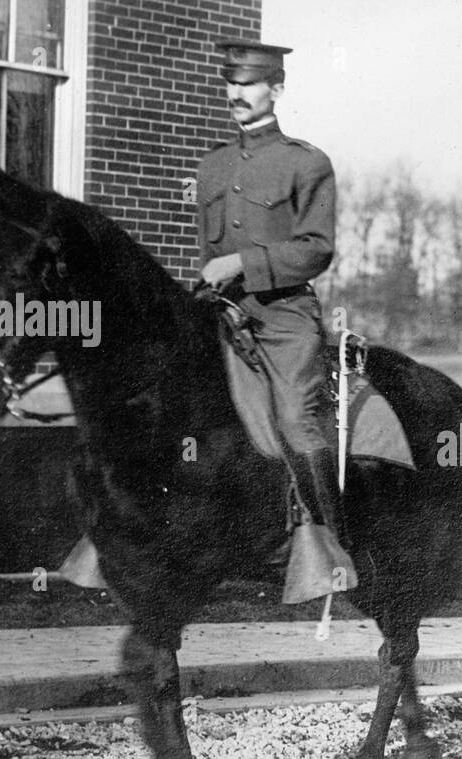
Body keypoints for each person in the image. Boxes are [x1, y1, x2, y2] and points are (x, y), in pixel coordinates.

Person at [197, 39, 355, 601]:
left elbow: (316, 249)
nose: (236, 93)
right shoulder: (212, 165)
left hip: (283, 317)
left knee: (292, 417)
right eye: (231, 83)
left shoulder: (305, 162)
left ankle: (325, 549)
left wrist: (243, 263)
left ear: (277, 89)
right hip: (223, 314)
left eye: (249, 84)